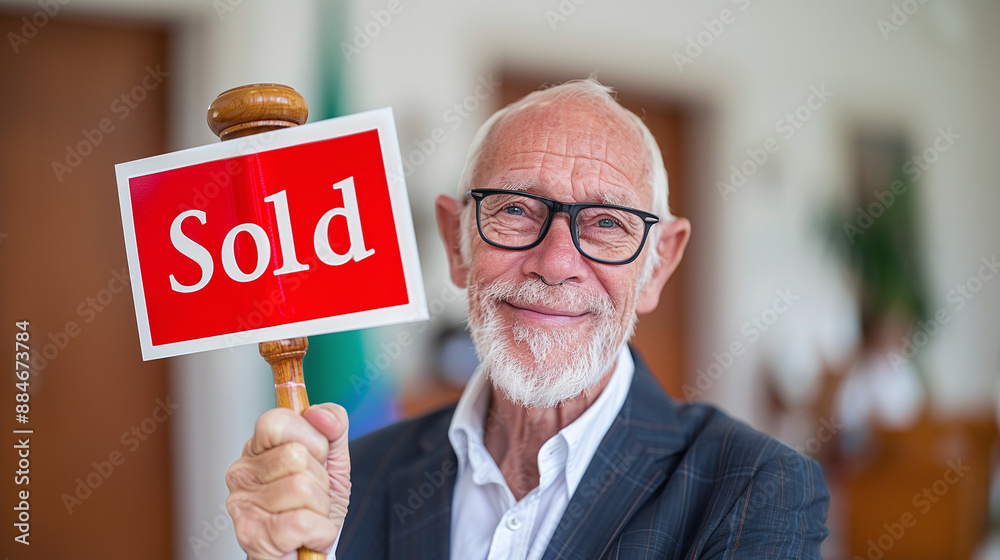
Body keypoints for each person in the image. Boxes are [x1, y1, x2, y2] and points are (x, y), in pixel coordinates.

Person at [224, 78, 830, 559]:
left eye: (608, 222)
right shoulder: (358, 475)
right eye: (515, 209)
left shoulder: (755, 488)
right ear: (457, 244)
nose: (556, 263)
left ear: (659, 264)